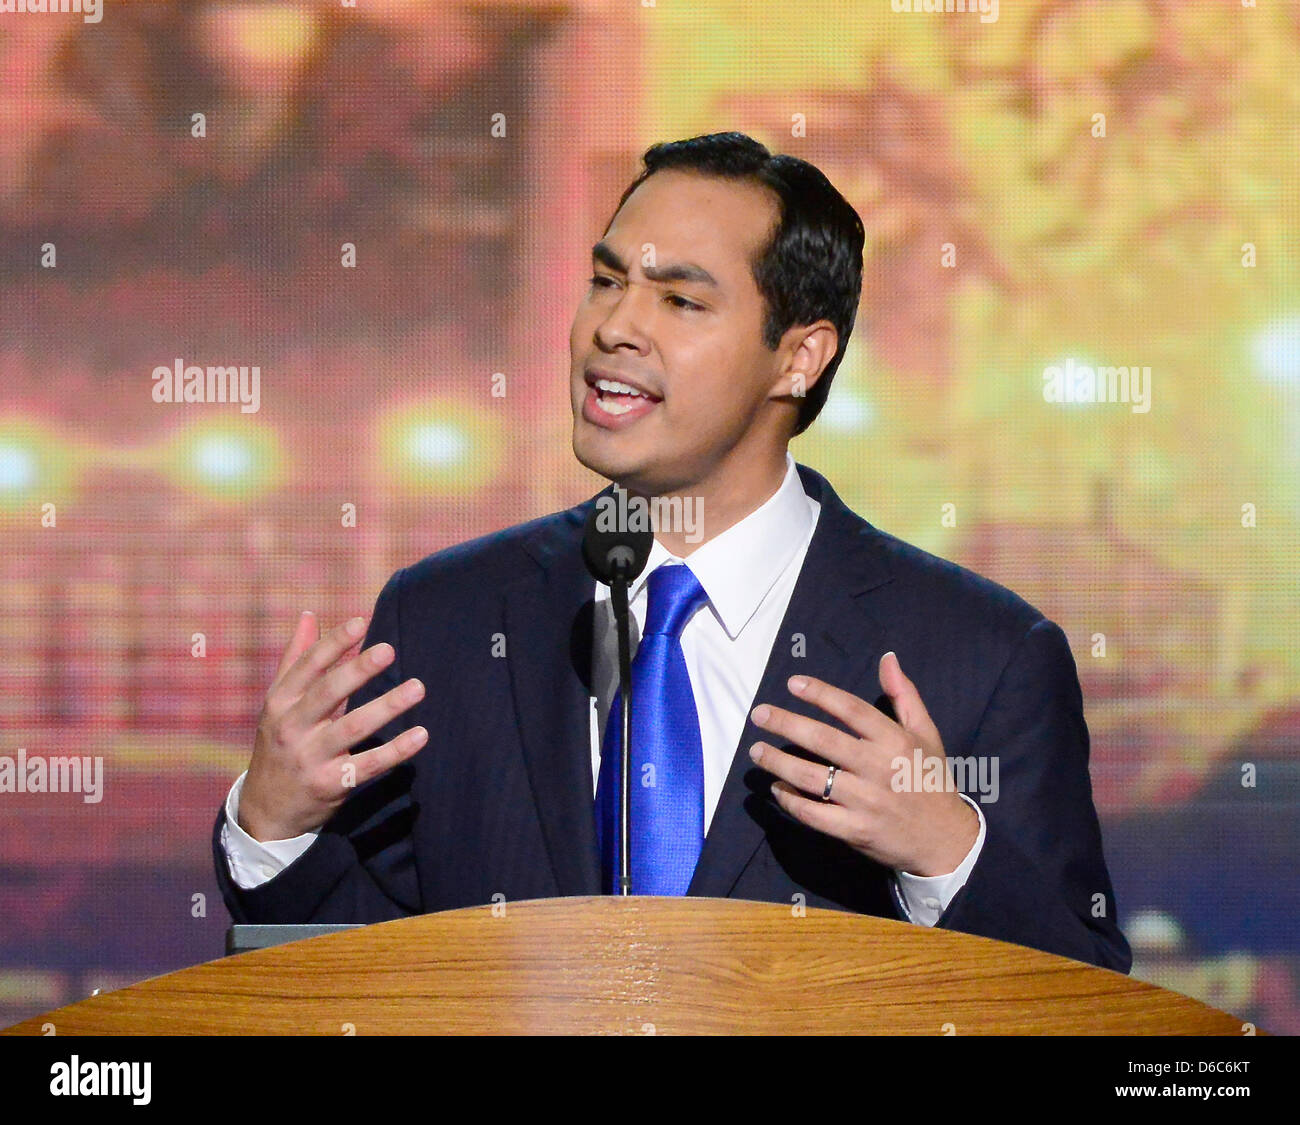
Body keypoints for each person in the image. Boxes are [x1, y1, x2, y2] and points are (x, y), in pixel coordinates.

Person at [212, 132, 1131, 973]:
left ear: (800, 358)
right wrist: (274, 827)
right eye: (606, 281)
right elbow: (363, 981)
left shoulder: (983, 656)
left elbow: (1092, 1018)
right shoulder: (447, 617)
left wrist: (944, 853)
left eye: (681, 300)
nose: (614, 327)